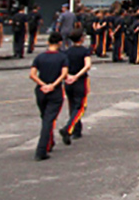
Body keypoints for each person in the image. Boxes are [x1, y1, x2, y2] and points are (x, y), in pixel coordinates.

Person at [28, 32, 68, 161]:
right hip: (55, 91)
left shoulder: (40, 57)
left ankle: (49, 142)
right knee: (49, 119)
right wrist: (53, 85)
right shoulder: (62, 57)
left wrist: (43, 84)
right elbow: (64, 74)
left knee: (44, 116)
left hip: (41, 90)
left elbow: (32, 74)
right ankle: (41, 149)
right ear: (60, 43)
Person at [60, 29, 92, 145]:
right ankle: (68, 128)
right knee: (81, 106)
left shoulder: (66, 52)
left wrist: (68, 76)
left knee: (72, 104)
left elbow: (63, 67)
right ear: (82, 39)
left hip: (68, 80)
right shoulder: (84, 51)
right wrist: (77, 76)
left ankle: (76, 130)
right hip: (80, 80)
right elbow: (87, 65)